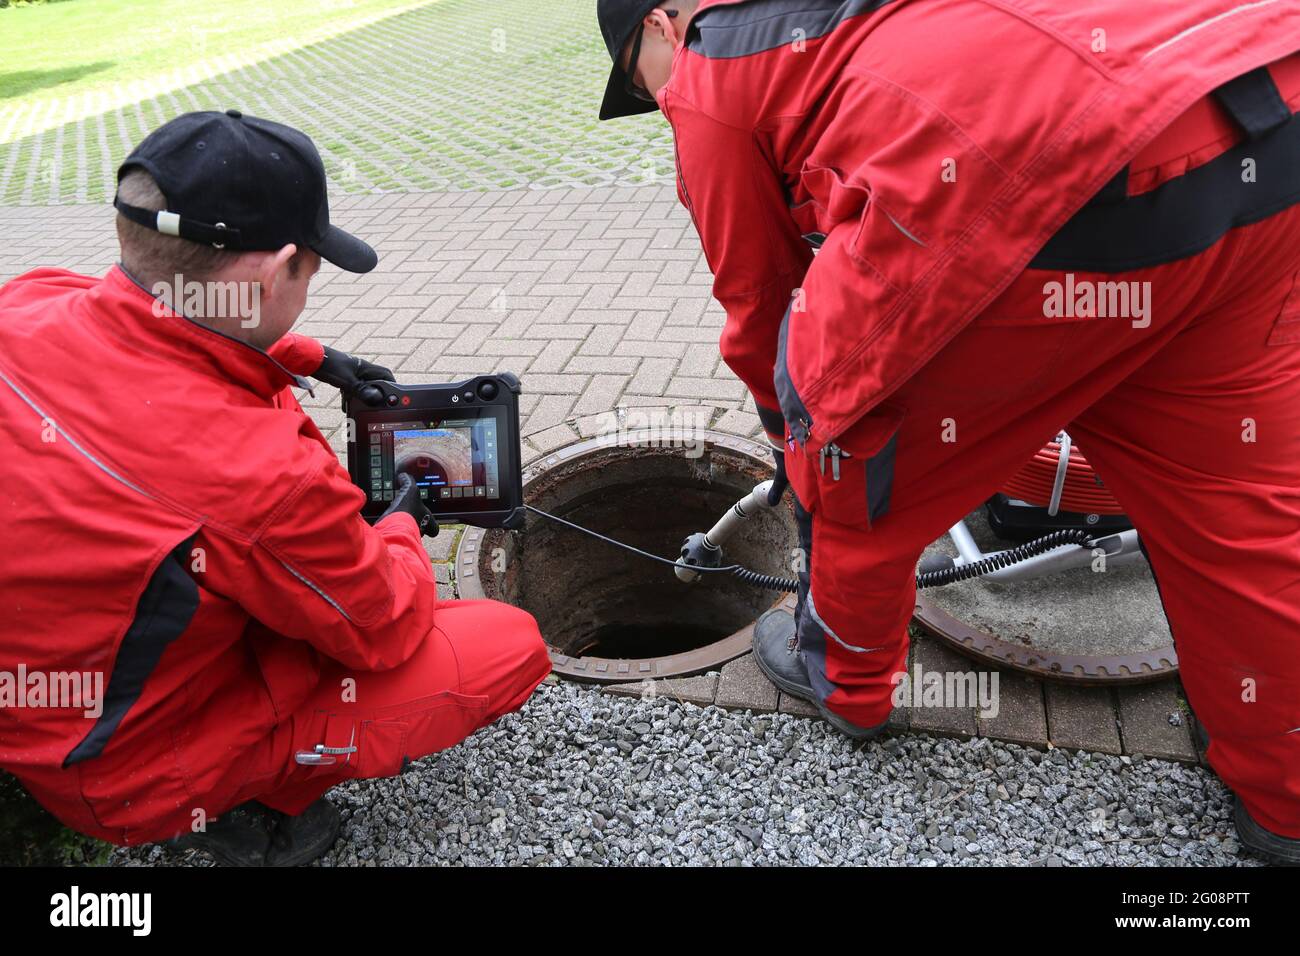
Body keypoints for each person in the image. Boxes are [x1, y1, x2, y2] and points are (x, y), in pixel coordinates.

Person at [595, 0, 1300, 863]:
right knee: (1233, 502)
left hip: (1044, 172)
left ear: (665, 26)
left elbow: (759, 295)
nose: (659, 101)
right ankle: (1284, 796)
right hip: (1258, 110)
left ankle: (846, 680)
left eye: (642, 78)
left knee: (846, 452)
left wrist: (792, 434)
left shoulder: (709, 72)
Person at [0, 111, 551, 866]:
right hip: (124, 771)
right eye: (310, 268)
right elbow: (384, 627)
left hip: (45, 707)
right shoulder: (260, 476)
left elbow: (152, 322)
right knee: (507, 645)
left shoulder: (26, 302)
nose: (311, 281)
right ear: (271, 270)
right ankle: (240, 805)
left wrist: (311, 357)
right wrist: (399, 520)